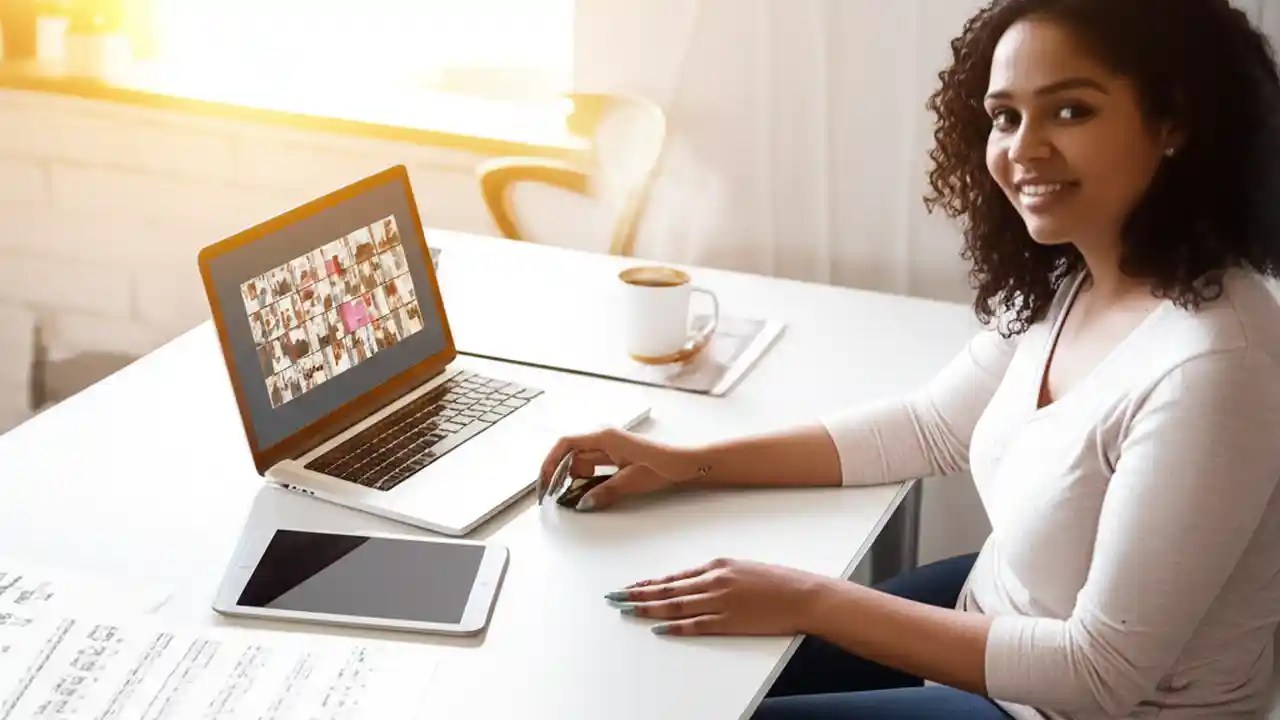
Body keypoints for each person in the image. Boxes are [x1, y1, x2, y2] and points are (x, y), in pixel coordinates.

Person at [538, 1, 1280, 717]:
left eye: (1070, 110)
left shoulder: (1218, 365)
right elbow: (926, 428)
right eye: (1005, 116)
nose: (1023, 148)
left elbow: (1100, 673)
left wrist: (806, 597)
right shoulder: (1078, 274)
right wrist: (683, 462)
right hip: (994, 623)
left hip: (1067, 706)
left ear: (1175, 121)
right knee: (663, 670)